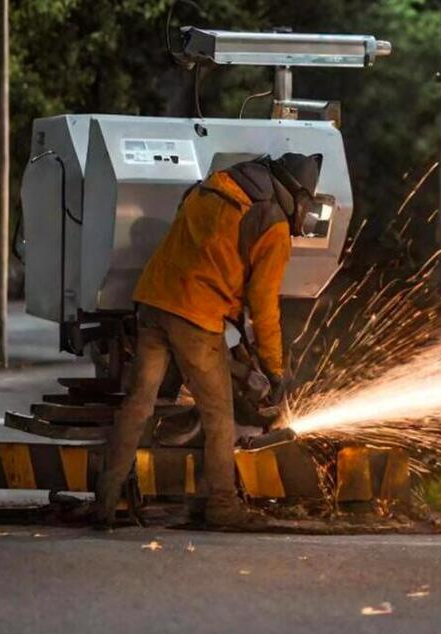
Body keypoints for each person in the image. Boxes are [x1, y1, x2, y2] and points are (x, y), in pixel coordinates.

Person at [94, 153, 322, 529]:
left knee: (138, 405)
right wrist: (275, 370)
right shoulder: (273, 225)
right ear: (297, 197)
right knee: (219, 416)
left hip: (153, 300)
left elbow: (211, 255)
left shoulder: (220, 183)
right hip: (194, 314)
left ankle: (104, 502)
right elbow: (265, 308)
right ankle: (222, 506)